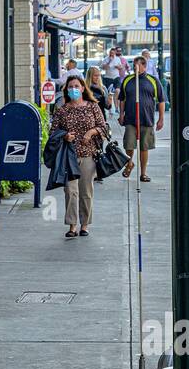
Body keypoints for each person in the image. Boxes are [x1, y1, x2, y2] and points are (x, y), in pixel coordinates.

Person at [51, 73, 107, 237]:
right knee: (70, 191)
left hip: (88, 155)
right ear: (66, 90)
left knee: (86, 191)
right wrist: (65, 136)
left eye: (76, 86)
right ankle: (72, 225)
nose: (74, 89)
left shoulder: (92, 106)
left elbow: (103, 128)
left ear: (83, 88)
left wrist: (91, 132)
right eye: (70, 87)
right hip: (68, 156)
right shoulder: (62, 110)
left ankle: (84, 225)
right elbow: (53, 132)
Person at [117, 55, 165, 182]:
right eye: (133, 66)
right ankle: (129, 164)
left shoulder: (153, 81)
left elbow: (161, 100)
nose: (135, 68)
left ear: (144, 66)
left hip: (146, 119)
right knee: (129, 144)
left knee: (144, 147)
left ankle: (143, 173)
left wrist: (161, 118)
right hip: (130, 119)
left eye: (137, 66)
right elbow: (122, 99)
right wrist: (121, 114)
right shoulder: (128, 80)